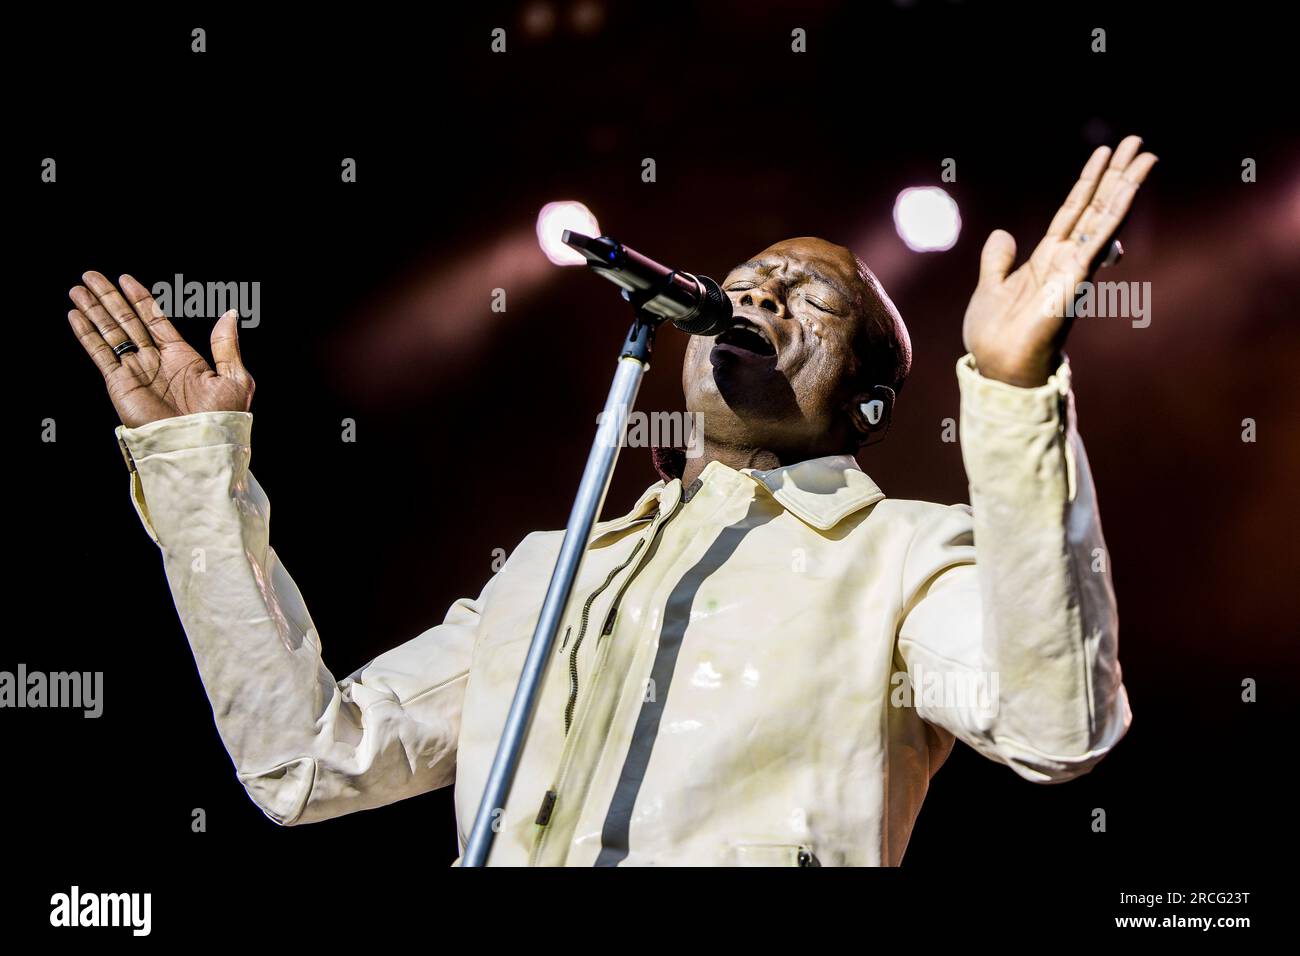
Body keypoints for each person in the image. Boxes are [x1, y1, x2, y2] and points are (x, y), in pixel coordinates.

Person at [67, 136, 1157, 866]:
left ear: (866, 406)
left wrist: (1015, 392)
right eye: (750, 276)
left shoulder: (906, 559)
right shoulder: (552, 567)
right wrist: (194, 467)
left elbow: (1059, 724)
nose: (761, 290)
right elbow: (307, 760)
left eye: (811, 297)